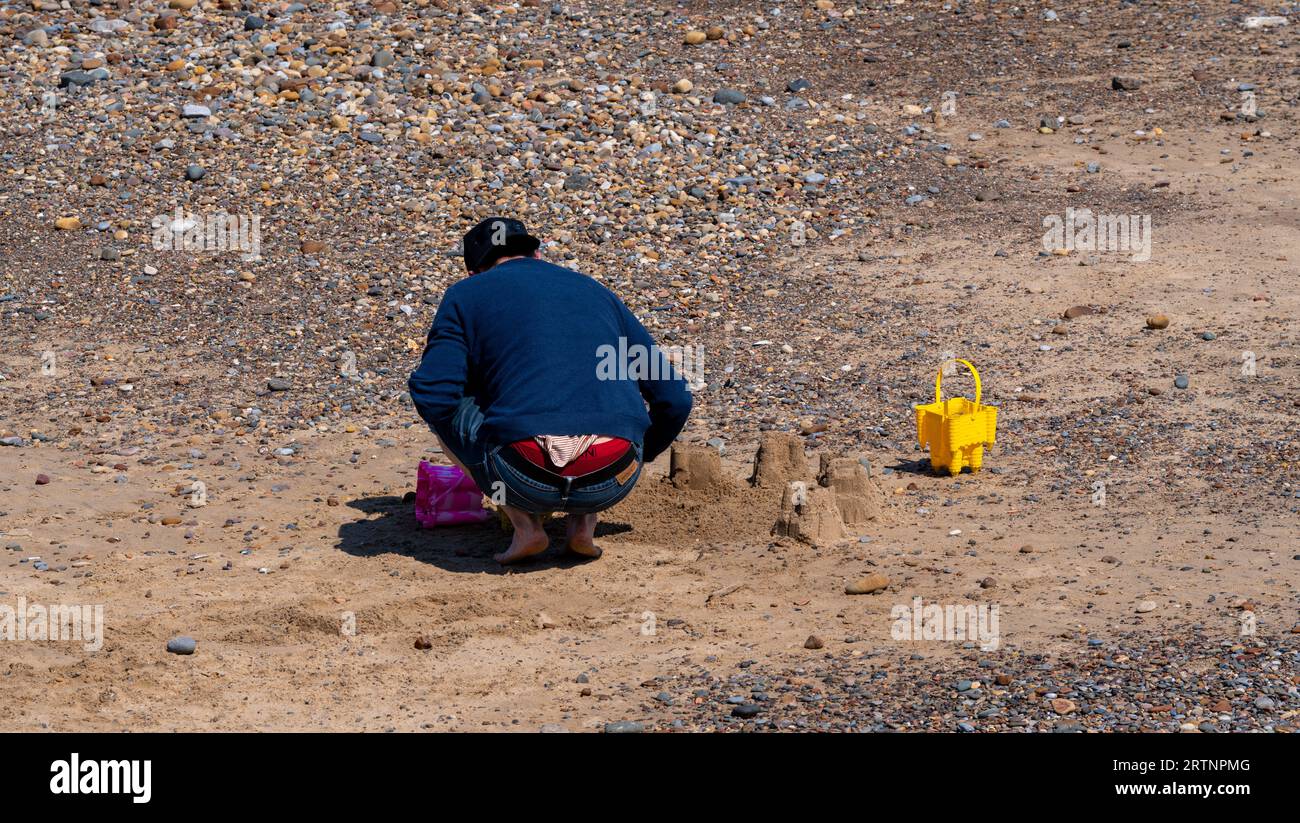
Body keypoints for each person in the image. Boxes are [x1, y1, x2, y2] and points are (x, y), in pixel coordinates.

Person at [408, 217, 693, 564]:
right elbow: (674, 398)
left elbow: (433, 393)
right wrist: (637, 457)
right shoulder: (596, 291)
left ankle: (524, 524)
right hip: (612, 479)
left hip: (522, 476)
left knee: (455, 403)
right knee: (594, 401)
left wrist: (488, 439)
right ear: (538, 254)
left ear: (474, 273)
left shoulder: (465, 295)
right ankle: (583, 525)